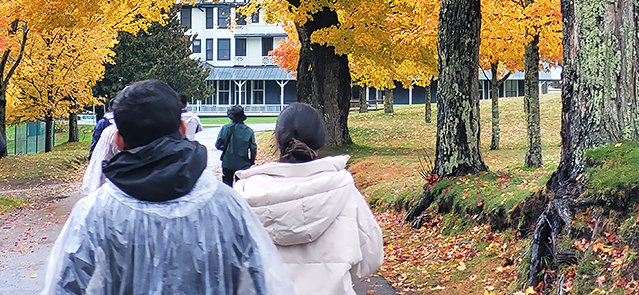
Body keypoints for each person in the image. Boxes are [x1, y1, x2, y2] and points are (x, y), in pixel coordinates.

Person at [41, 79, 294, 295]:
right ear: (183, 129)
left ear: (118, 140)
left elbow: (62, 285)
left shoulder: (94, 214)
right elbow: (267, 283)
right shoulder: (229, 206)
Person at [235, 102, 383, 295]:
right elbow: (372, 256)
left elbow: (228, 261)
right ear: (320, 141)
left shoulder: (245, 193)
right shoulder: (343, 190)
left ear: (278, 140)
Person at [216, 104, 257, 186]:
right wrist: (251, 161)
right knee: (241, 187)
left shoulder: (226, 128)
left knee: (227, 187)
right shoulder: (248, 131)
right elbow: (253, 148)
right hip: (243, 163)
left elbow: (218, 144)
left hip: (228, 162)